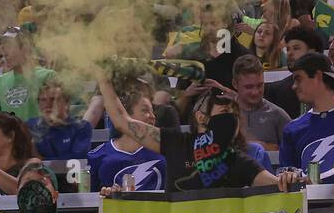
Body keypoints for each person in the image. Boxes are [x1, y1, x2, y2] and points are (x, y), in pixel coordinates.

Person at [95, 71, 302, 193]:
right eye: (224, 113)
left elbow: (277, 185)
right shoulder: (176, 143)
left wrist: (290, 180)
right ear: (202, 118)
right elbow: (122, 121)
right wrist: (104, 80)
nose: (231, 120)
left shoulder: (236, 161)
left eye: (234, 115)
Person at [86, 86, 167, 192]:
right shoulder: (97, 155)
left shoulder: (165, 148)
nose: (153, 116)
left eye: (153, 111)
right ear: (125, 116)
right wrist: (108, 194)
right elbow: (90, 199)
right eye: (145, 110)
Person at [0, 26, 56, 120]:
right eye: (3, 48)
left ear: (25, 47)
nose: (4, 53)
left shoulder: (47, 77)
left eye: (9, 46)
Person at [232, 54, 291, 151]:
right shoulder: (223, 114)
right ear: (235, 84)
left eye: (259, 85)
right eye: (249, 87)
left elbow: (292, 153)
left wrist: (264, 147)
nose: (255, 92)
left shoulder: (279, 116)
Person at [264, 26, 325, 119]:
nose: (290, 53)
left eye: (296, 48)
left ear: (313, 52)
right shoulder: (275, 91)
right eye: (288, 49)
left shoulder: (330, 86)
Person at [27, 80, 93, 161]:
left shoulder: (81, 127)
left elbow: (77, 158)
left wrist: (41, 160)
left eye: (53, 99)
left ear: (67, 103)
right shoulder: (31, 126)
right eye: (43, 100)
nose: (47, 104)